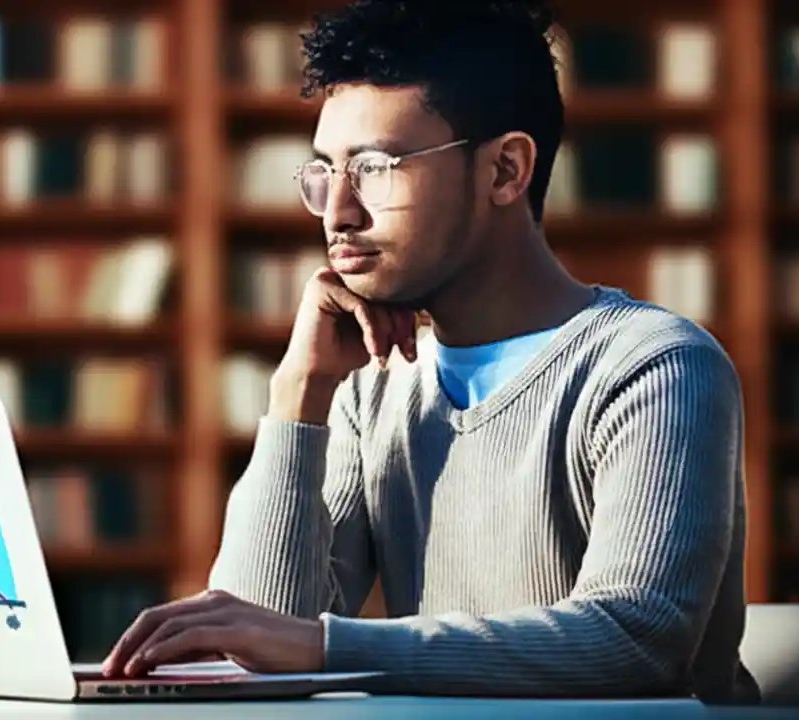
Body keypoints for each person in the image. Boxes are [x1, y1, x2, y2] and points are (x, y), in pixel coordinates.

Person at [102, 0, 758, 704]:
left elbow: (638, 639)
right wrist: (298, 398)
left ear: (505, 170)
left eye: (375, 168)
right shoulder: (372, 390)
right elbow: (260, 643)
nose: (338, 214)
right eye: (325, 172)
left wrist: (330, 647)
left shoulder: (653, 366)